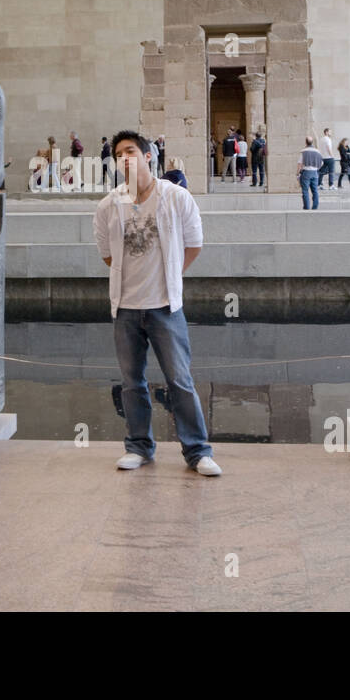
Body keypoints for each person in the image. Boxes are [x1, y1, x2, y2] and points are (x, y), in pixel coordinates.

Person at [93, 131, 218, 476]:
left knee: (180, 380)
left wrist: (170, 278)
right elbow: (107, 254)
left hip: (165, 306)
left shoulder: (176, 197)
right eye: (119, 154)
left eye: (131, 151)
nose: (125, 158)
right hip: (126, 309)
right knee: (132, 382)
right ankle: (139, 447)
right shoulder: (108, 206)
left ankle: (197, 451)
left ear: (148, 156)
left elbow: (194, 244)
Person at [298, 136, 322, 209]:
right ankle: (315, 207)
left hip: (306, 173)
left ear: (306, 142)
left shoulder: (304, 151)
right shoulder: (317, 151)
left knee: (305, 191)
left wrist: (297, 173)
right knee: (315, 191)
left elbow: (299, 164)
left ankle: (307, 207)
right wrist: (316, 168)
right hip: (315, 172)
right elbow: (321, 163)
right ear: (312, 142)